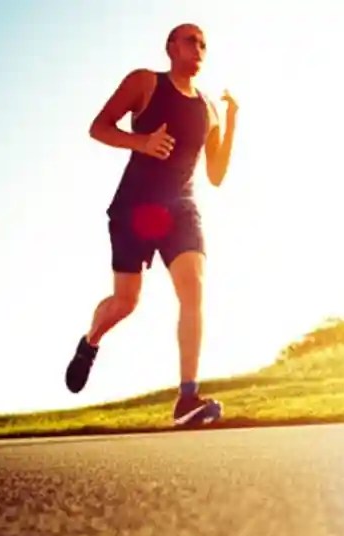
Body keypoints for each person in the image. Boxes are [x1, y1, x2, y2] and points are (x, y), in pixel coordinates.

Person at [65, 23, 238, 427]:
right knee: (126, 302)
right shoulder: (145, 82)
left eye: (203, 44)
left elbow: (215, 174)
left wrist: (231, 123)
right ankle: (90, 342)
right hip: (135, 207)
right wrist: (140, 142)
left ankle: (187, 399)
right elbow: (99, 127)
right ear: (171, 47)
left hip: (180, 207)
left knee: (193, 288)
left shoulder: (210, 108)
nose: (198, 48)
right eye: (190, 41)